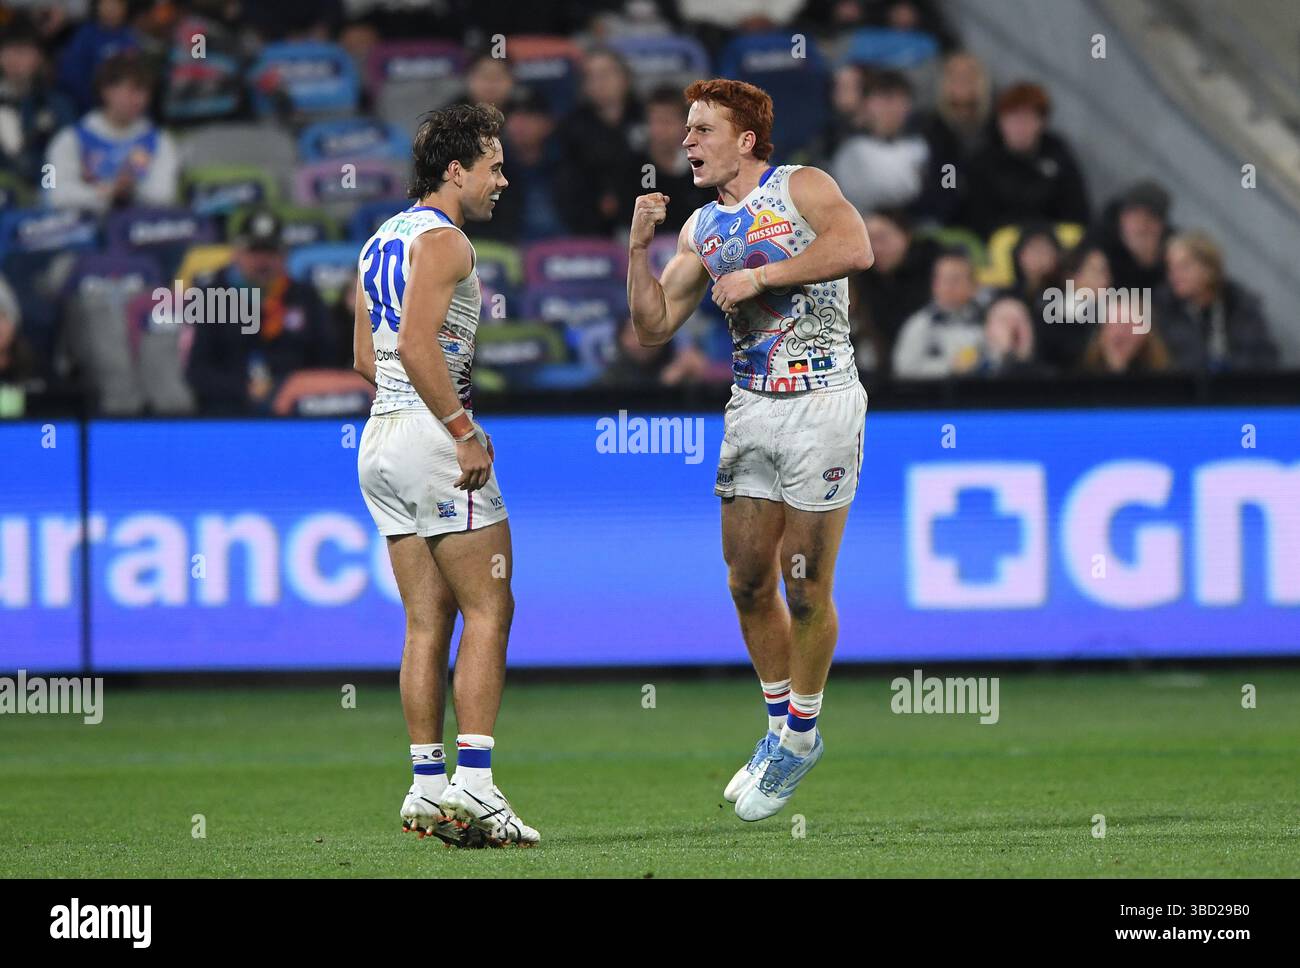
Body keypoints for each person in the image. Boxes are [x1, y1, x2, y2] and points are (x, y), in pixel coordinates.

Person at [627, 78, 873, 822]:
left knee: (804, 586)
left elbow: (855, 247)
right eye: (688, 130)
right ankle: (777, 731)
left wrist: (761, 273)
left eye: (703, 130)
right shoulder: (701, 228)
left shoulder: (801, 186)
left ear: (745, 139)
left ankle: (801, 735)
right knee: (745, 583)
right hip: (751, 408)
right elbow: (653, 325)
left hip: (822, 402)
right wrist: (638, 249)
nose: (688, 142)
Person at [351, 103, 538, 848]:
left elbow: (368, 358)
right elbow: (422, 346)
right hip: (433, 435)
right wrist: (462, 431)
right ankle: (478, 786)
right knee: (492, 608)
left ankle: (427, 787)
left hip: (380, 440)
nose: (504, 179)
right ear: (455, 171)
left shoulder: (378, 241)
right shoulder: (448, 242)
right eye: (494, 166)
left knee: (426, 622)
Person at [184, 208, 331, 412]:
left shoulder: (305, 297)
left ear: (284, 256)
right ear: (237, 254)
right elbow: (198, 372)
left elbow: (328, 359)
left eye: (270, 252)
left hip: (297, 409)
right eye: (254, 251)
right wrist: (243, 389)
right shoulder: (211, 298)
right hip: (229, 410)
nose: (263, 261)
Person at [45, 53, 179, 214]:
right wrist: (107, 192)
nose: (139, 100)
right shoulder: (68, 139)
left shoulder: (160, 140)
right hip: (82, 232)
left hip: (142, 230)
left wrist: (131, 188)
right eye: (132, 90)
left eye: (144, 92)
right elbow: (55, 194)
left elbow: (164, 194)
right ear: (107, 91)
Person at [962, 81, 1089, 237]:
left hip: (1052, 245)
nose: (1020, 127)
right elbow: (976, 217)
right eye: (1013, 119)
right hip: (998, 247)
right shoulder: (982, 161)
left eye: (1028, 119)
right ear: (1000, 121)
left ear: (1041, 122)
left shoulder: (1058, 155)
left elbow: (1077, 211)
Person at [1155, 230, 1277, 373]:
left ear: (1209, 269)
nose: (1175, 275)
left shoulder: (1240, 305)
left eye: (1184, 267)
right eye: (1171, 267)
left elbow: (1263, 358)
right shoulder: (1162, 308)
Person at [829, 69, 928, 215]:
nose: (891, 108)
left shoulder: (922, 146)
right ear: (866, 104)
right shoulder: (849, 149)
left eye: (900, 100)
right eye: (884, 99)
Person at [0, 14, 77, 184]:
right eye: (8, 50)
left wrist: (47, 186)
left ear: (38, 58)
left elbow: (64, 160)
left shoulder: (58, 105)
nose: (14, 59)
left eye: (23, 52)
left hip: (45, 196)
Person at [891, 249, 984, 378]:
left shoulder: (987, 319)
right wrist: (949, 366)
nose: (947, 287)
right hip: (934, 395)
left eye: (955, 280)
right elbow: (904, 368)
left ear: (974, 285)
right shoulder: (920, 324)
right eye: (941, 279)